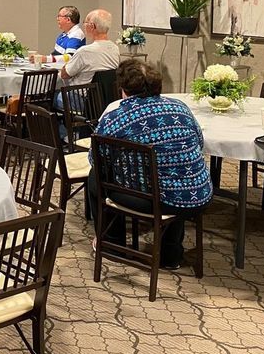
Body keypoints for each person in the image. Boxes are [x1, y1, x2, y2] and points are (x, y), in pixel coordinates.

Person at [90, 60, 212, 269]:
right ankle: (170, 253)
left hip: (155, 200)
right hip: (199, 193)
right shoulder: (180, 107)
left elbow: (96, 158)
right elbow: (199, 143)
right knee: (172, 178)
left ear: (123, 88)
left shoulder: (116, 118)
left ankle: (111, 243)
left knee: (96, 177)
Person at [59, 8, 122, 86]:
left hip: (80, 96)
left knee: (55, 94)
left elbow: (64, 75)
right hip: (106, 96)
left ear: (92, 26)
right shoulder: (115, 49)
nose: (83, 26)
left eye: (85, 22)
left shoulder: (84, 52)